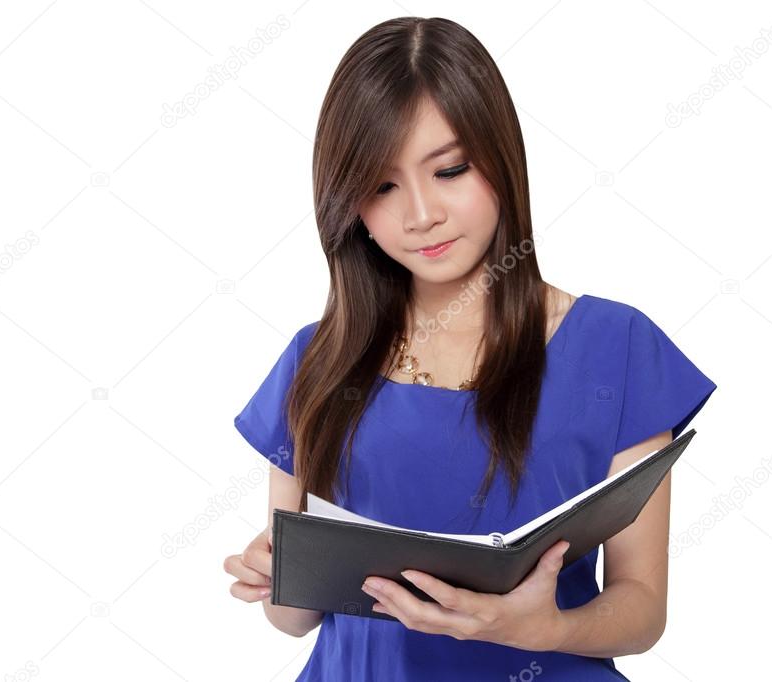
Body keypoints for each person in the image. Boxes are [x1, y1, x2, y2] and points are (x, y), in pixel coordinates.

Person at [222, 16, 717, 681]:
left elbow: (642, 607)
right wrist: (274, 573)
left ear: (500, 158)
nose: (420, 214)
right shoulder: (319, 358)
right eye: (381, 186)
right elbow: (293, 618)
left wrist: (545, 628)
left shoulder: (616, 347)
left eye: (449, 169)